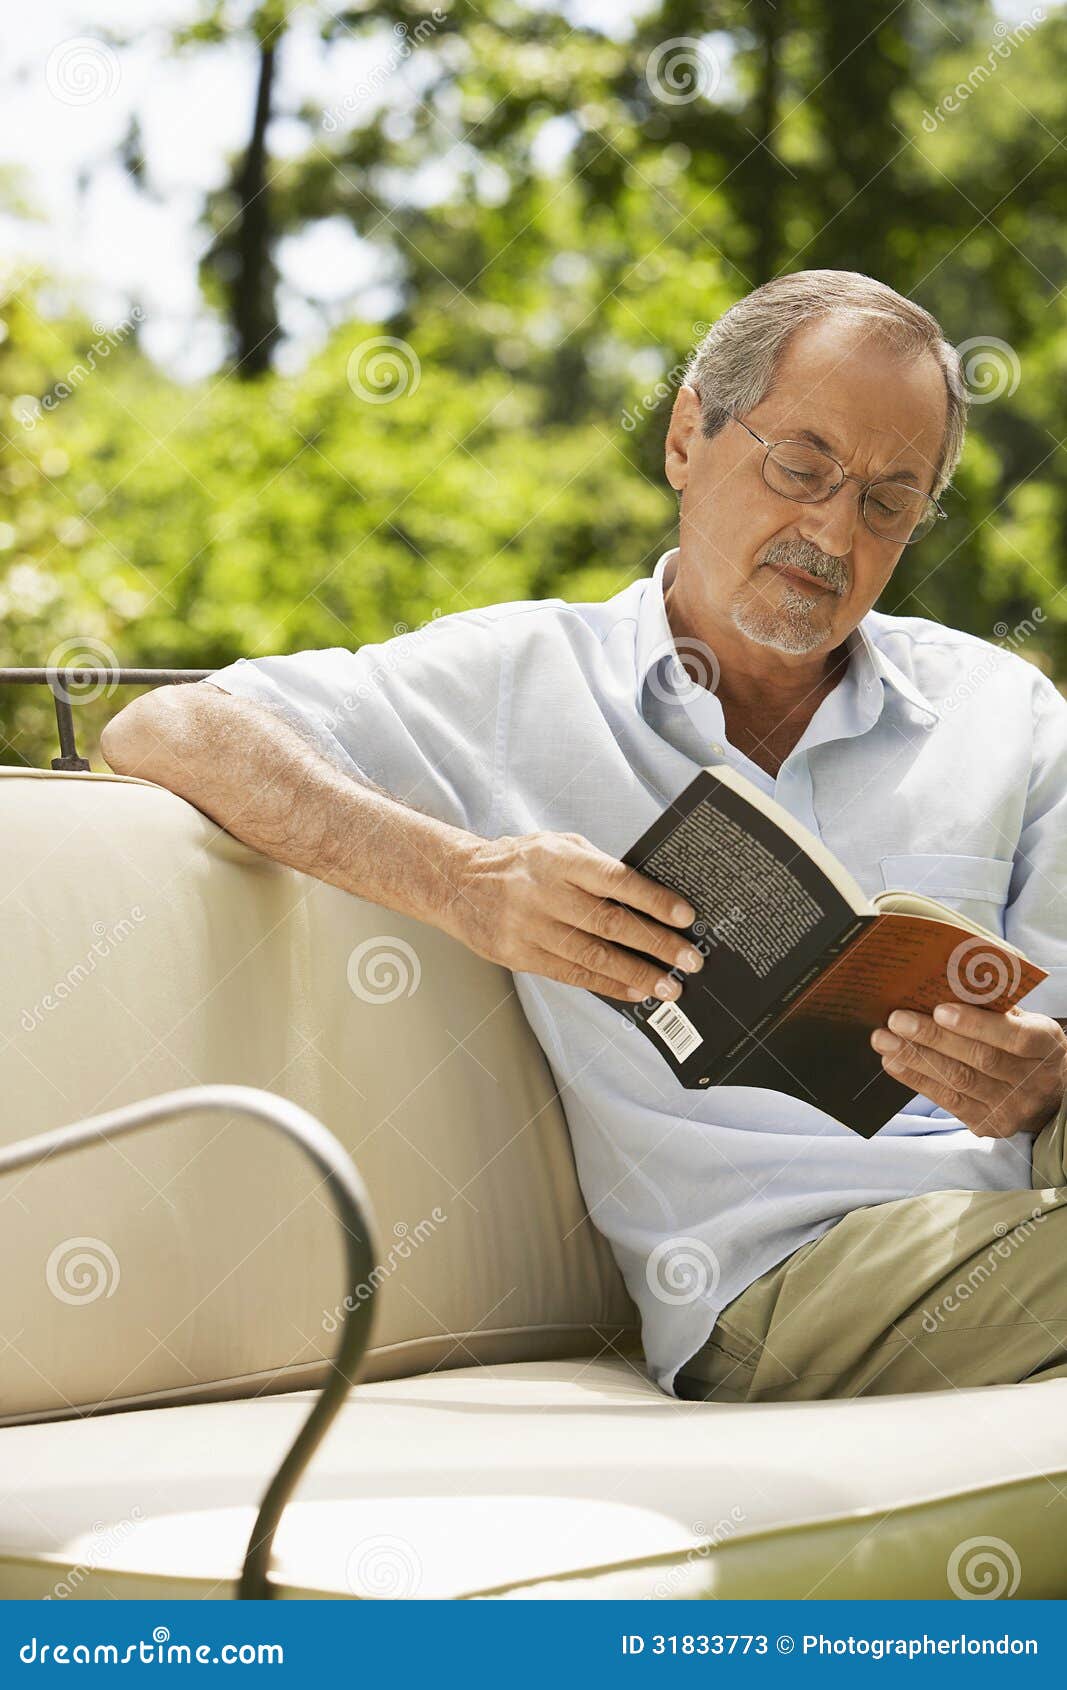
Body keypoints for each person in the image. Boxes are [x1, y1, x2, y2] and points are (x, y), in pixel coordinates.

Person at [102, 269, 1067, 1404]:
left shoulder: (1003, 713)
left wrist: (1045, 1081)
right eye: (800, 468)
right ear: (686, 436)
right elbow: (171, 725)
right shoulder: (522, 682)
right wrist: (461, 881)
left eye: (886, 502)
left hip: (1020, 1219)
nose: (829, 530)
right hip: (774, 1282)